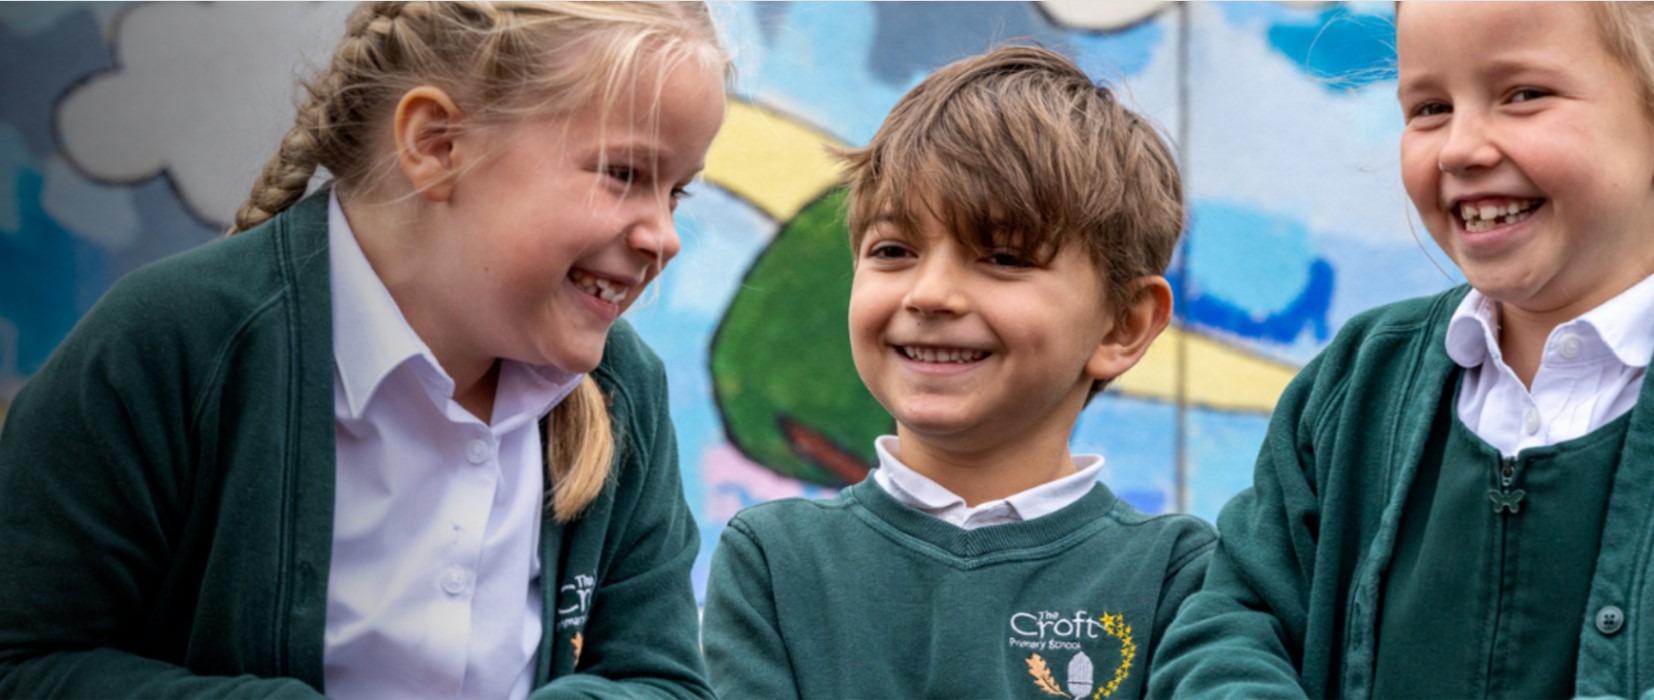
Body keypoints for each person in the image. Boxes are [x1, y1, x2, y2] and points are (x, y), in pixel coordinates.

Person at [0, 2, 727, 698]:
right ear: (438, 145)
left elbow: (659, 679)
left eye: (676, 194)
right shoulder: (171, 346)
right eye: (624, 173)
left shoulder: (621, 390)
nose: (662, 236)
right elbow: (27, 663)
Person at [1150, 3, 1654, 698]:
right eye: (1429, 107)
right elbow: (1234, 616)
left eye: (1524, 95)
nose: (1459, 148)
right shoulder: (1357, 380)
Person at [700, 45, 1215, 699]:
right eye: (893, 251)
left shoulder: (1179, 575)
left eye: (1001, 256)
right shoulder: (775, 560)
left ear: (1124, 325)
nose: (930, 294)